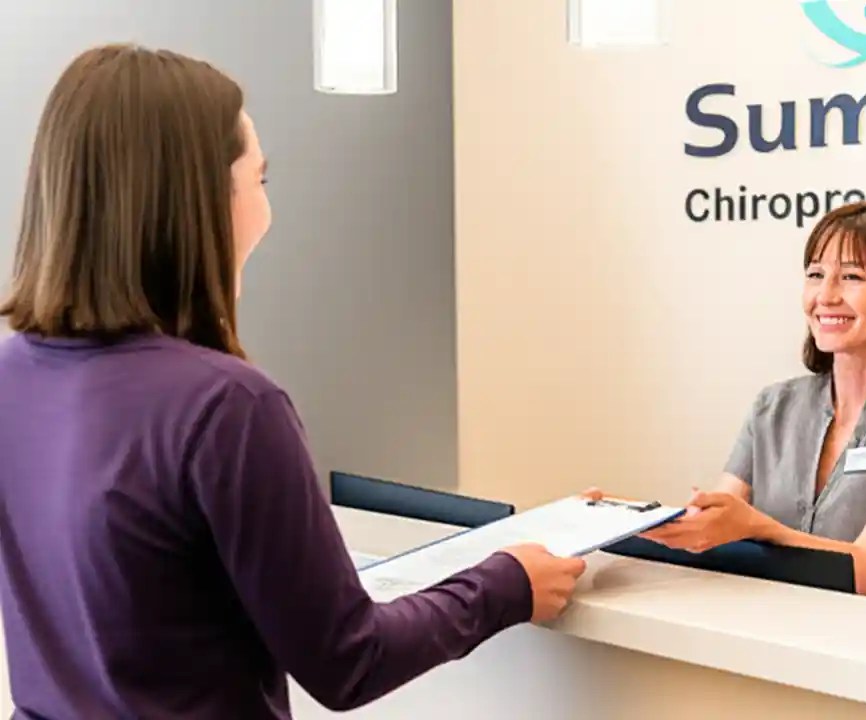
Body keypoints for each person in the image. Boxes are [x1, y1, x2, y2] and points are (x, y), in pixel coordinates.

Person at [0, 44, 585, 718]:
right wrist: (506, 583)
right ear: (199, 200)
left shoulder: (15, 373)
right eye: (260, 181)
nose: (267, 211)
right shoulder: (227, 406)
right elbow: (349, 660)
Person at [588, 202, 866, 607]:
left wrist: (757, 527)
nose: (826, 296)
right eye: (815, 275)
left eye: (852, 276)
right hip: (771, 639)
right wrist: (623, 521)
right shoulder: (773, 407)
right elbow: (709, 530)